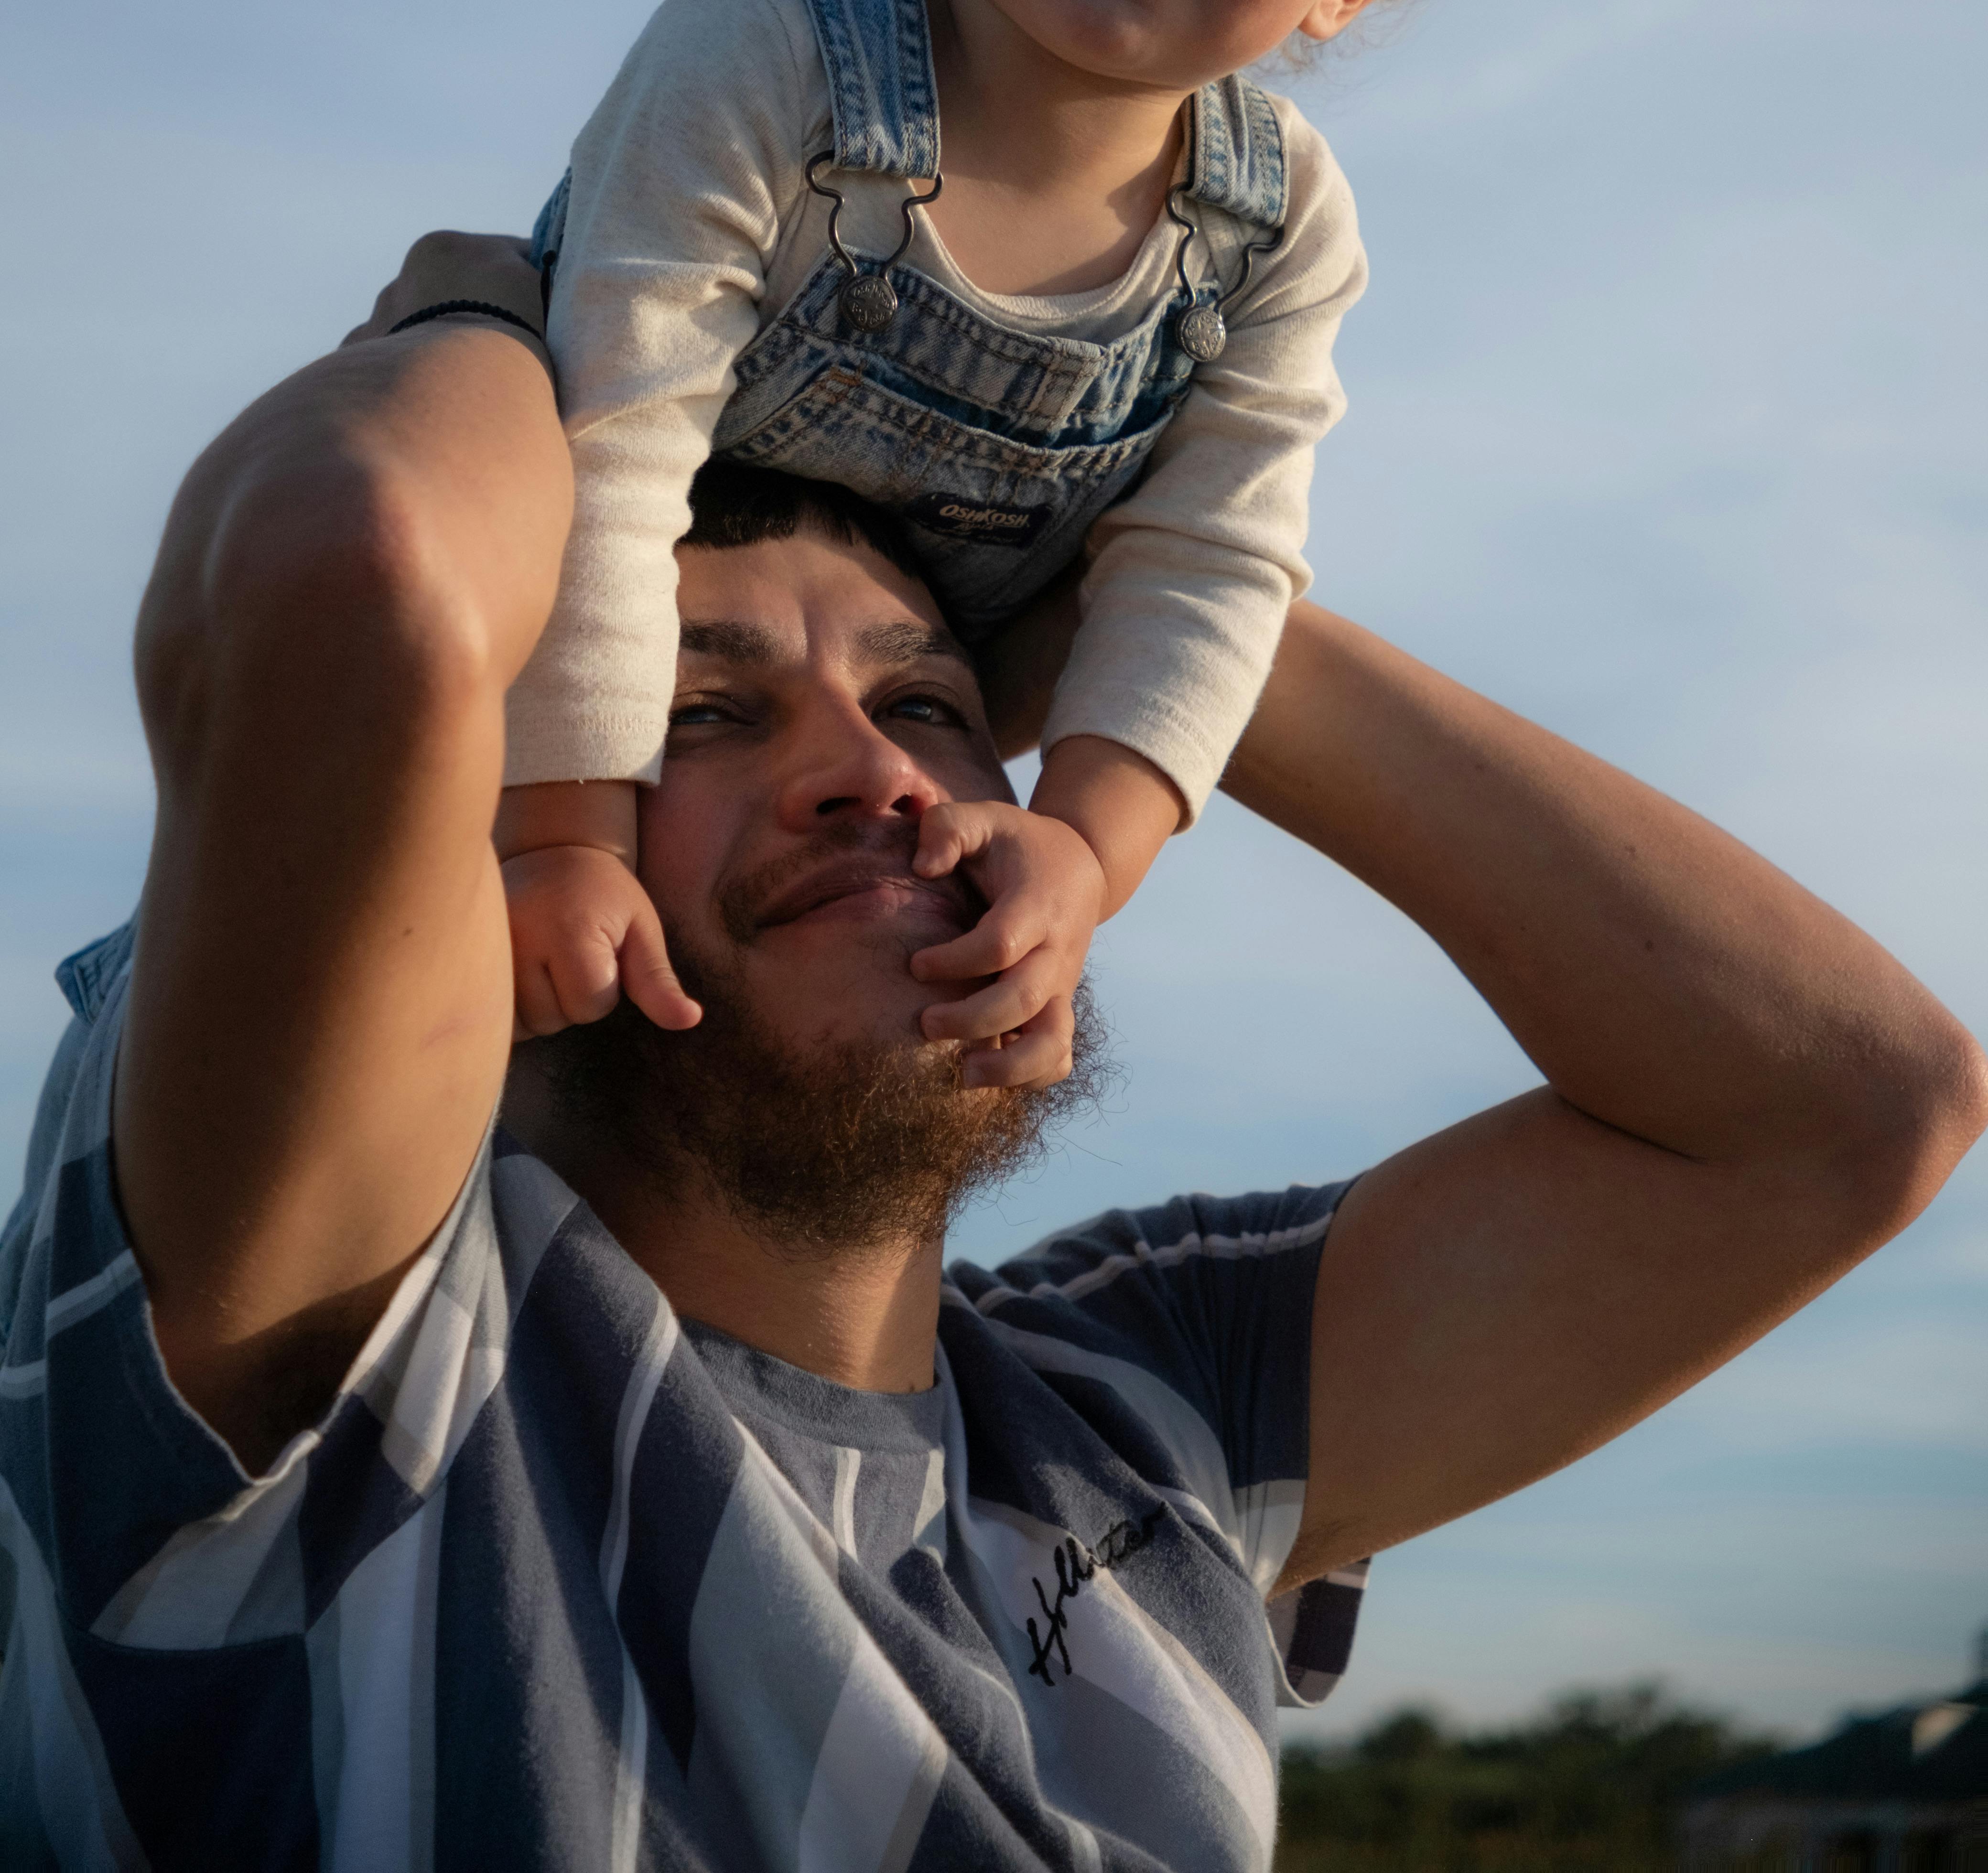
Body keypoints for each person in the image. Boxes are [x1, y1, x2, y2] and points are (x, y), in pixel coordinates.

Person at [0, 238, 1979, 1869]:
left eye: (933, 705)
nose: (876, 778)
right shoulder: (353, 1331)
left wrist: (1162, 616)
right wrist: (497, 309)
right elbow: (361, 567)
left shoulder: (1145, 1412)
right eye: (698, 715)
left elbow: (1846, 1107)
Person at [497, 0, 1534, 1087]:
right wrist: (558, 829)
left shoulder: (1272, 228)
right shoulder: (767, 65)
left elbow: (1208, 560)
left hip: (826, 805)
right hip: (533, 720)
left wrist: (1087, 850)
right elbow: (610, 451)